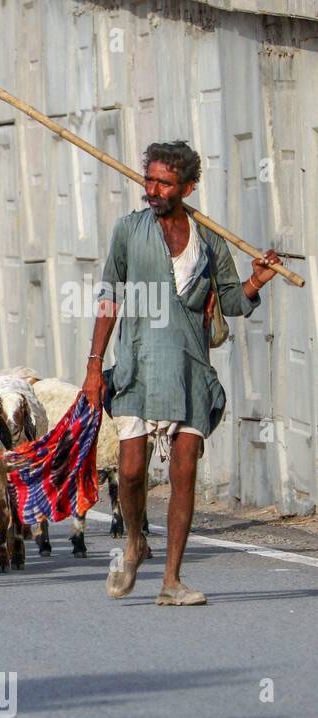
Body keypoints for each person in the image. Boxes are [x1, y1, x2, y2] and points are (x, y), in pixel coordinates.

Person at [82, 141, 281, 606]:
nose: (152, 189)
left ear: (187, 187)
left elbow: (232, 301)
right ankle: (134, 539)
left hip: (191, 368)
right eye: (148, 179)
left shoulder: (209, 239)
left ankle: (171, 580)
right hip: (137, 365)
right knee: (130, 472)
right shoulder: (129, 231)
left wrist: (256, 279)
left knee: (184, 470)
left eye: (164, 183)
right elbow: (109, 296)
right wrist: (94, 368)